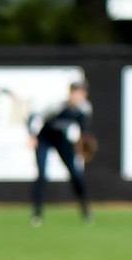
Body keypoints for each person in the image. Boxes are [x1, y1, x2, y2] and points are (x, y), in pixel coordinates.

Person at [28, 79, 94, 226]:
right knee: (42, 175)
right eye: (75, 92)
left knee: (76, 174)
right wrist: (32, 135)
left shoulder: (85, 109)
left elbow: (83, 131)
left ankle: (86, 210)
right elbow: (36, 117)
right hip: (45, 139)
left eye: (81, 93)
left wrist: (82, 141)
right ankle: (37, 214)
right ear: (70, 93)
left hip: (62, 142)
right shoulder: (57, 107)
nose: (78, 96)